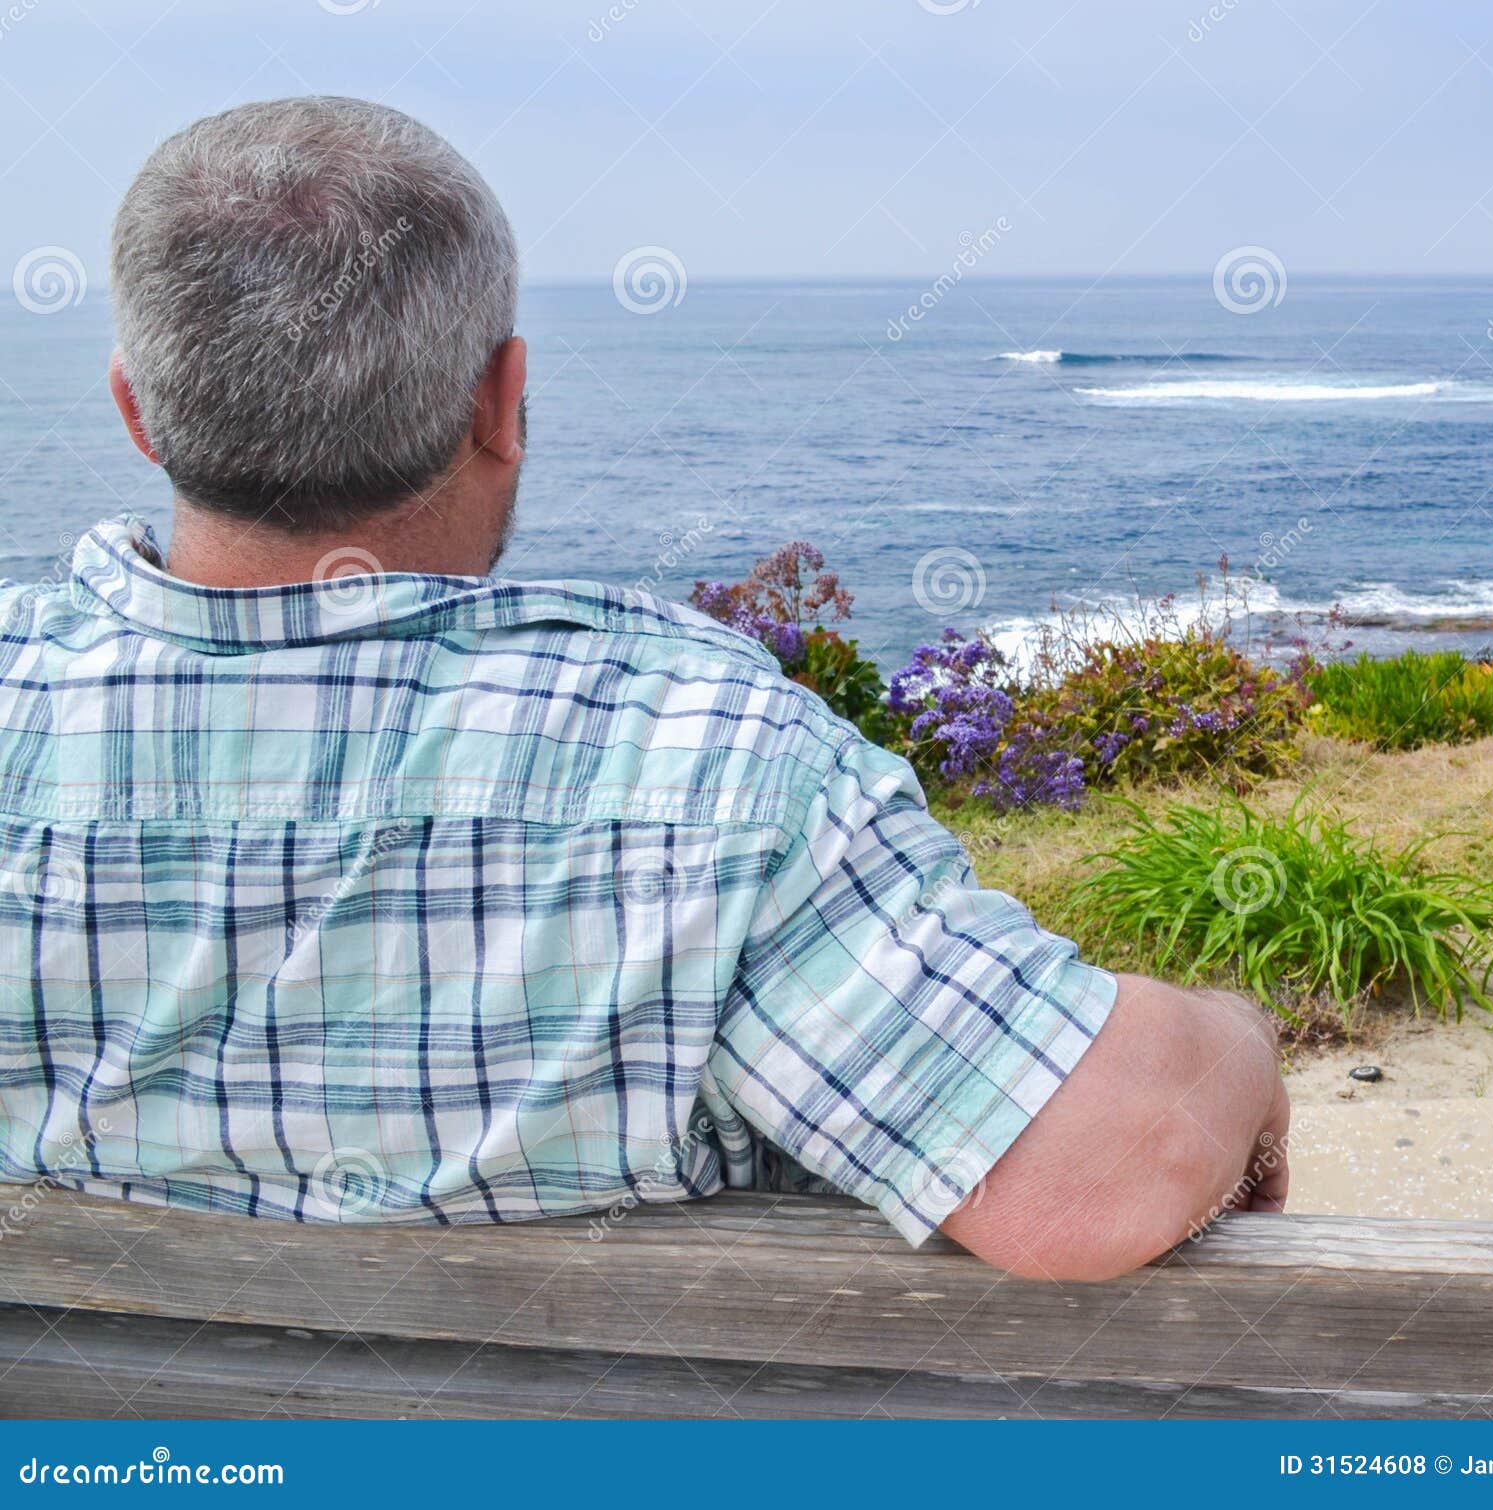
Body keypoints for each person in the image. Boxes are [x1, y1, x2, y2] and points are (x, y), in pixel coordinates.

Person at [0, 96, 1287, 1282]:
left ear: (137, 411)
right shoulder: (699, 758)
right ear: (502, 401)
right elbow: (1095, 1179)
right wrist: (1241, 1043)